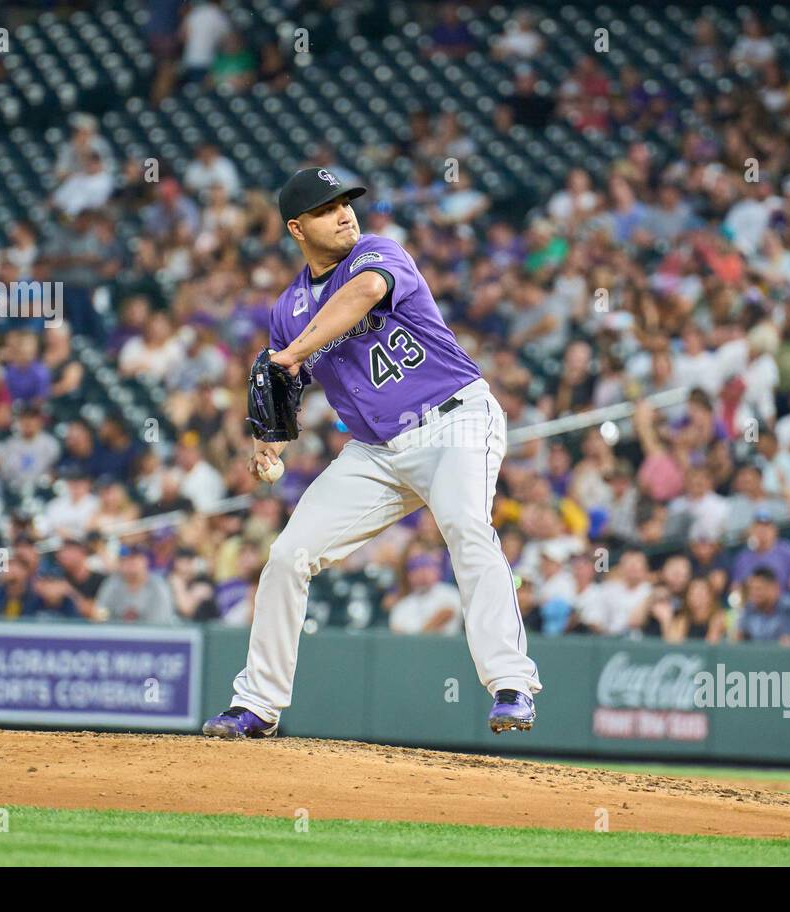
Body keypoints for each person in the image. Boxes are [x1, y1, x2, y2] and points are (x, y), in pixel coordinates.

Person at [203, 167, 541, 740]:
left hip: (456, 420)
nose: (344, 214)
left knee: (465, 525)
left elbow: (361, 297)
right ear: (296, 228)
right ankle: (257, 704)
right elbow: (284, 393)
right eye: (326, 209)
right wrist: (267, 442)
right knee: (288, 556)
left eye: (345, 202)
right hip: (377, 453)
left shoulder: (377, 253)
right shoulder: (286, 310)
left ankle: (511, 684)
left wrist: (287, 355)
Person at [734, 567, 790, 644]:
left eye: (758, 589)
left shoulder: (789, 611)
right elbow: (739, 639)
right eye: (751, 589)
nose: (754, 594)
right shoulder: (748, 610)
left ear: (774, 588)